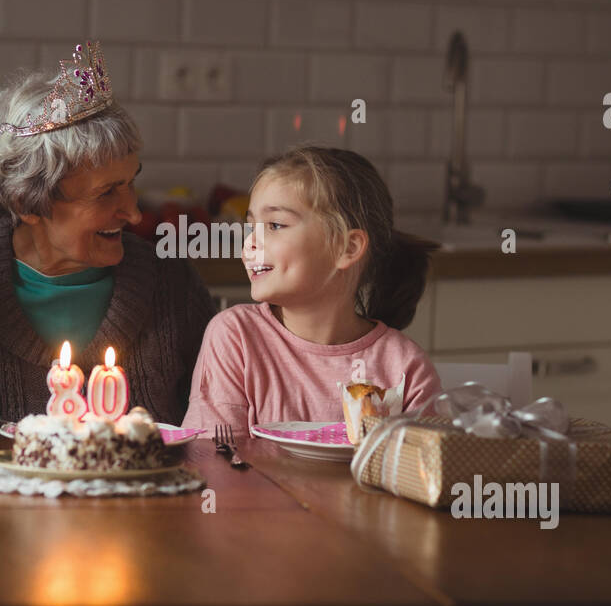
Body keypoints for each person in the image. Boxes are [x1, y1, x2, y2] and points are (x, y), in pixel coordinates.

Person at [0, 40, 216, 433]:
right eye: (106, 192)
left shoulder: (172, 284)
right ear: (28, 204)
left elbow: (220, 435)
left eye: (130, 183)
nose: (135, 213)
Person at [183, 145, 441, 435]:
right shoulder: (235, 337)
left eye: (276, 225)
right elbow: (213, 460)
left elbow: (422, 474)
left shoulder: (405, 368)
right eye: (251, 226)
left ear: (347, 247)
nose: (250, 244)